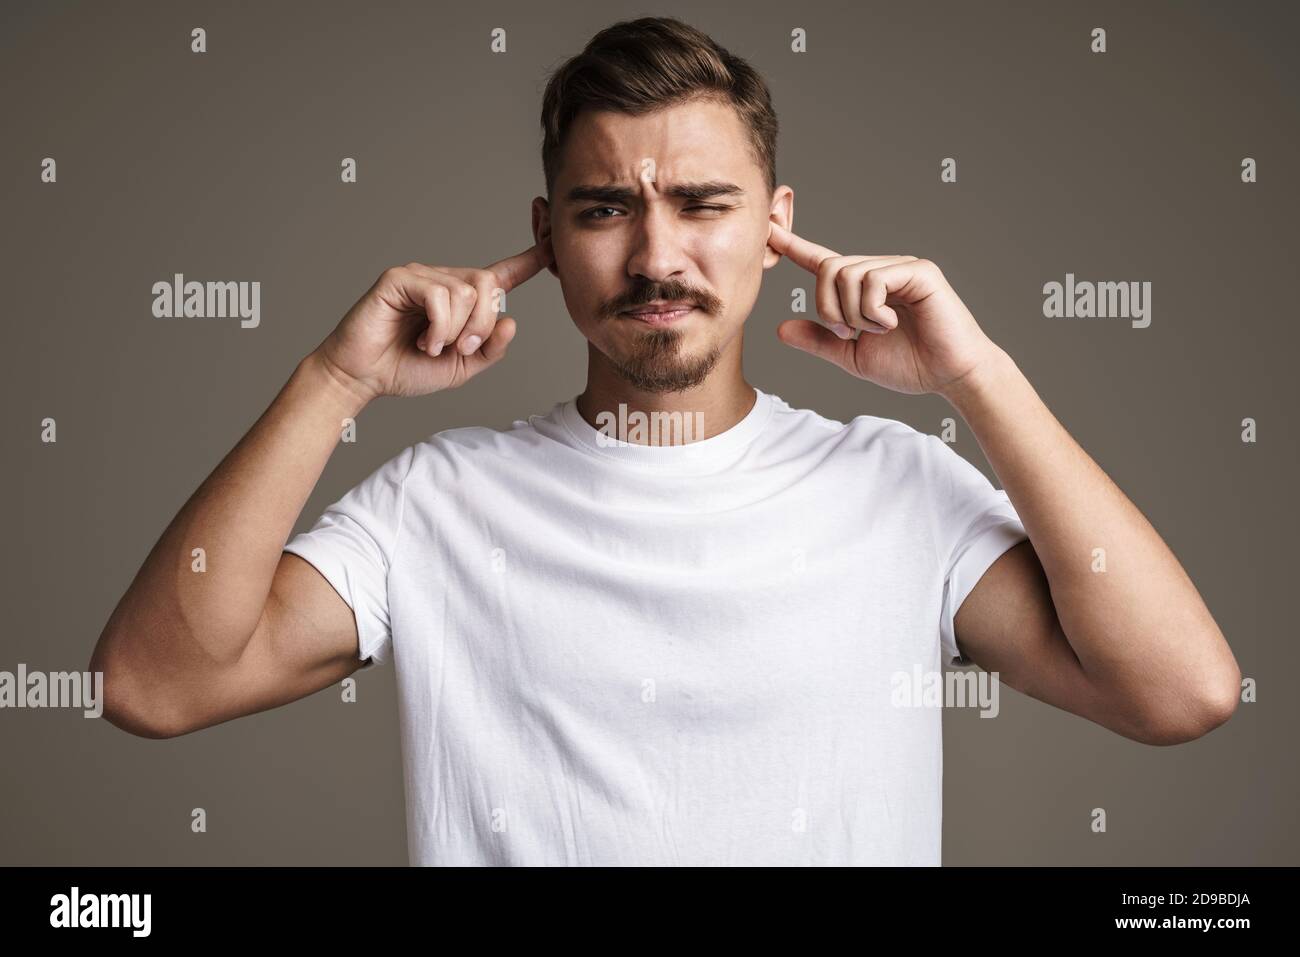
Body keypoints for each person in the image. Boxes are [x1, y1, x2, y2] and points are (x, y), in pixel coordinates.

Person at [90, 16, 1240, 866]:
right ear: (546, 234)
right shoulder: (436, 504)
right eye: (605, 210)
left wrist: (975, 378)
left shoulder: (895, 486)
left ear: (776, 225)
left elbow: (1182, 693)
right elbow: (151, 685)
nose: (654, 258)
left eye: (701, 204)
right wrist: (335, 380)